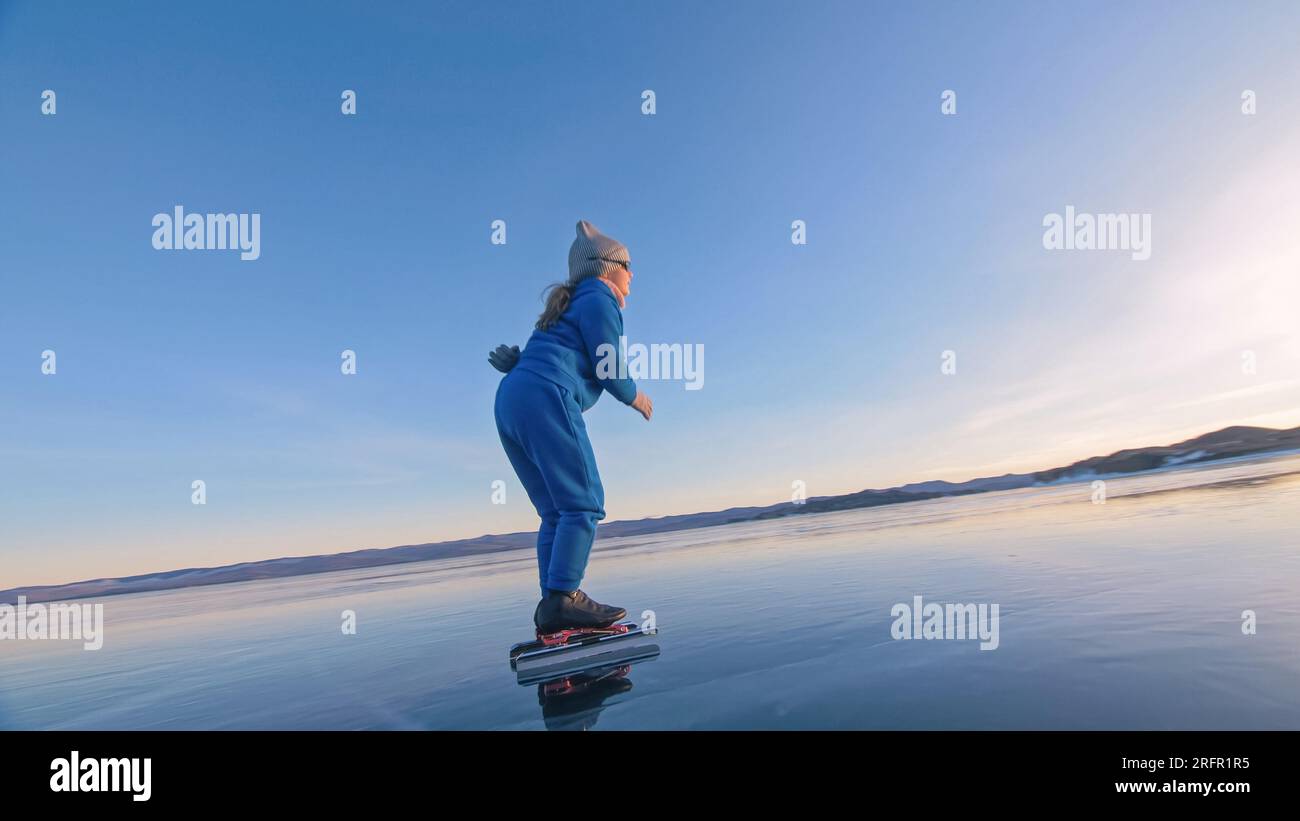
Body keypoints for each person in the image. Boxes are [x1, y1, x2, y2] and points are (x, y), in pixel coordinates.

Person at [489, 220, 654, 634]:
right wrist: (635, 396)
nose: (633, 275)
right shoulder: (599, 298)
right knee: (584, 501)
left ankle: (552, 607)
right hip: (545, 394)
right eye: (628, 265)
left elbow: (549, 351)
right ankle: (565, 598)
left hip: (511, 399)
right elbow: (607, 362)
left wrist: (518, 364)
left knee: (555, 512)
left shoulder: (568, 305)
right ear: (606, 267)